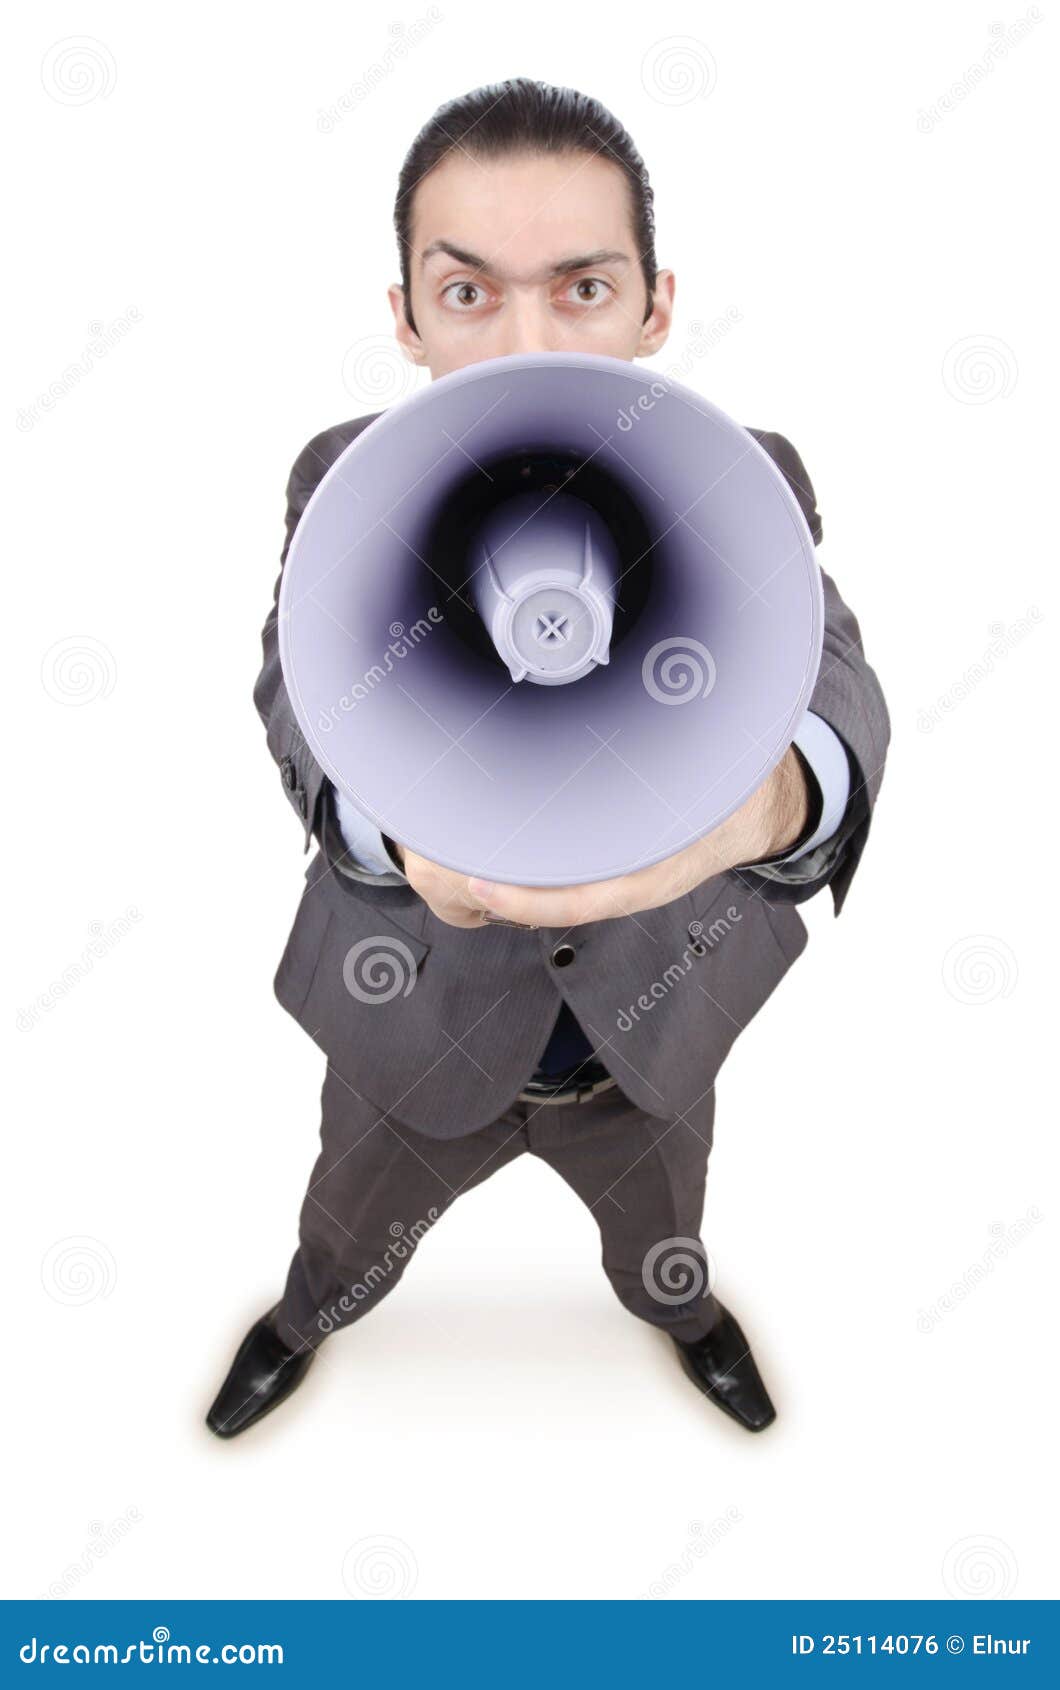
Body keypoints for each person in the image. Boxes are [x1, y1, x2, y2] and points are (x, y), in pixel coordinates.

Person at [207, 78, 890, 1440]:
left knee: (662, 1238)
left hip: (652, 1028)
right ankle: (306, 1313)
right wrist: (395, 844)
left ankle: (684, 1317)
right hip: (413, 1023)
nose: (530, 336)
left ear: (654, 305)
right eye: (470, 294)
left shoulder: (739, 472)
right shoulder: (344, 474)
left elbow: (832, 683)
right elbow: (301, 685)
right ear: (405, 316)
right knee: (348, 1224)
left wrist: (766, 805)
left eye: (581, 287)